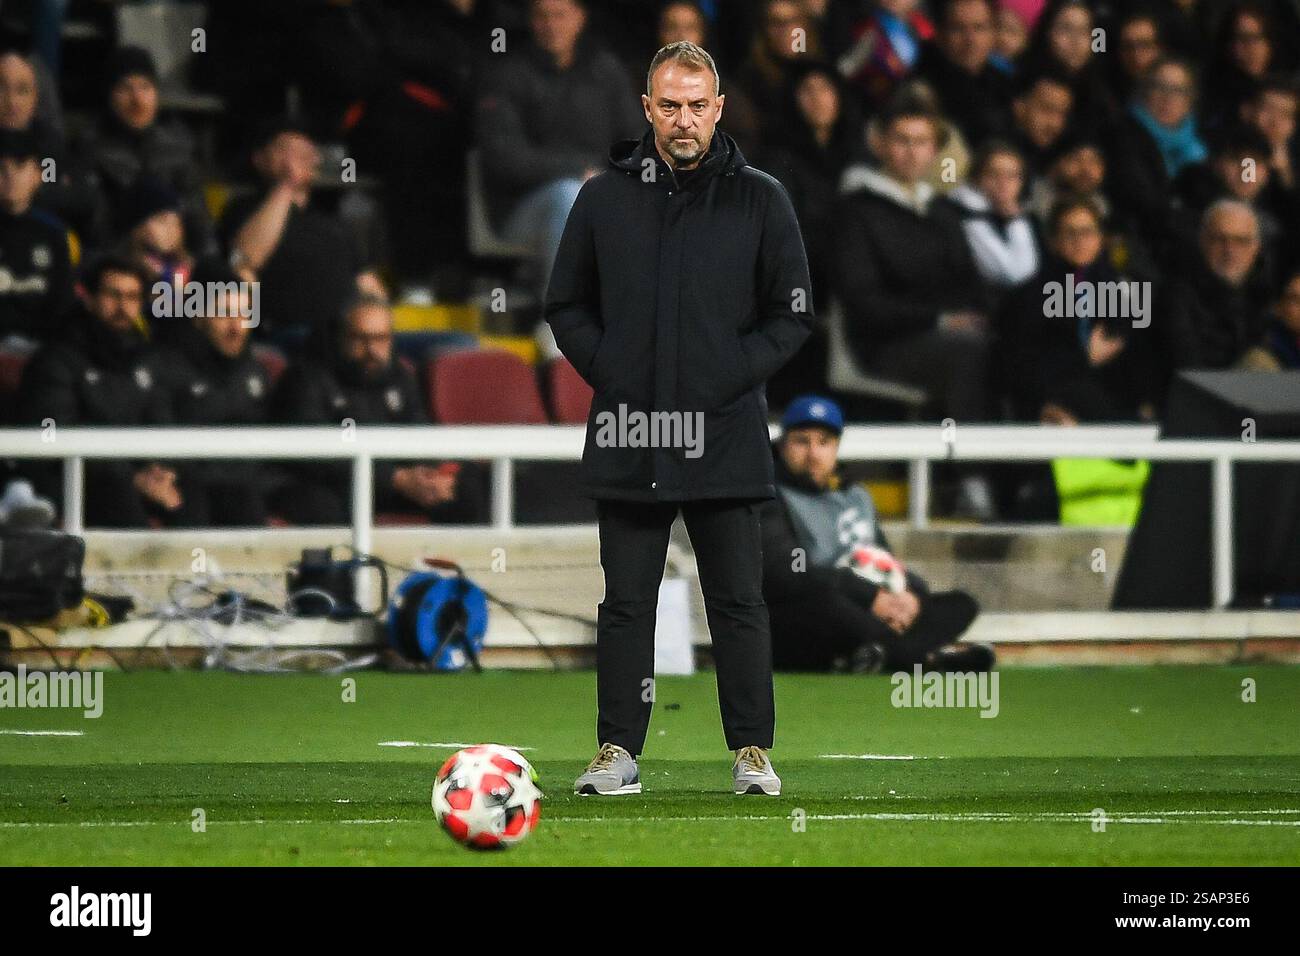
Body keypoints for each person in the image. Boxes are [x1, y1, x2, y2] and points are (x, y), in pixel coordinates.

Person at [547, 41, 812, 797]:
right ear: (647, 108)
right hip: (632, 433)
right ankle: (616, 752)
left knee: (739, 602)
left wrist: (719, 380)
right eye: (669, 105)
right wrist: (618, 374)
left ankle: (752, 753)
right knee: (626, 604)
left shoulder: (763, 198)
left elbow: (792, 316)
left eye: (697, 105)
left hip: (725, 431)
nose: (683, 119)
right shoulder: (602, 198)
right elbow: (565, 305)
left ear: (719, 108)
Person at [762, 395, 992, 673]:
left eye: (824, 442)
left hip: (870, 608)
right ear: (783, 445)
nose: (813, 453)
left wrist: (907, 595)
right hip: (811, 607)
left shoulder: (855, 497)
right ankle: (924, 659)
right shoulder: (770, 496)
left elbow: (886, 559)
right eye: (802, 441)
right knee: (822, 601)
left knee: (960, 603)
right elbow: (789, 572)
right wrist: (870, 596)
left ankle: (873, 654)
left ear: (836, 448)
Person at [475, 0, 642, 335]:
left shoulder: (604, 70)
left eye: (560, 15)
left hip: (602, 193)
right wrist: (580, 170)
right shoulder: (507, 74)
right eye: (541, 15)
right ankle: (561, 325)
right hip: (520, 209)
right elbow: (503, 158)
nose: (550, 24)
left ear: (580, 18)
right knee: (571, 196)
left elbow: (638, 141)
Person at [16, 255, 201, 528]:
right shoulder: (56, 360)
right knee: (117, 491)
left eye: (132, 297)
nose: (123, 306)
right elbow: (54, 435)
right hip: (75, 480)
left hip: (135, 477)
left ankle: (203, 568)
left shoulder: (147, 360)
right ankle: (129, 570)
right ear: (89, 299)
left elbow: (161, 423)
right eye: (113, 295)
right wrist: (132, 477)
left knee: (194, 491)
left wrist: (161, 470)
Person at [273, 294, 485, 526]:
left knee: (465, 487)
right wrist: (395, 479)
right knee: (323, 505)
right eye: (361, 338)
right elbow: (317, 454)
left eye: (381, 339)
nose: (372, 349)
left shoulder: (399, 376)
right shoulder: (307, 378)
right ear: (341, 337)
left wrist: (431, 473)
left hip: (391, 484)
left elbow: (417, 429)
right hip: (336, 485)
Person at [220, 118, 385, 353]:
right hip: (289, 334)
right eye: (286, 150)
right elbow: (246, 257)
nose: (298, 157)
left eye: (306, 152)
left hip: (350, 333)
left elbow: (368, 284)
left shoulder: (332, 222)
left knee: (452, 346)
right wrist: (287, 185)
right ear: (260, 159)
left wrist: (380, 324)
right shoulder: (243, 210)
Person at [155, 258, 285, 526]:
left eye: (244, 315)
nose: (236, 327)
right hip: (193, 487)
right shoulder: (167, 369)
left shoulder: (256, 372)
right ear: (198, 316)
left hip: (247, 487)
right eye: (225, 314)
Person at [0, 128, 73, 345]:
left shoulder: (55, 233)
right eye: (2, 168)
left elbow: (61, 302)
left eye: (20, 167)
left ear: (37, 176)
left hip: (37, 347)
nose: (10, 177)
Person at [916, 0, 1013, 147]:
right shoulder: (921, 86)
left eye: (979, 28)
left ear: (994, 33)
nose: (970, 40)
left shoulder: (1005, 85)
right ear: (940, 34)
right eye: (958, 28)